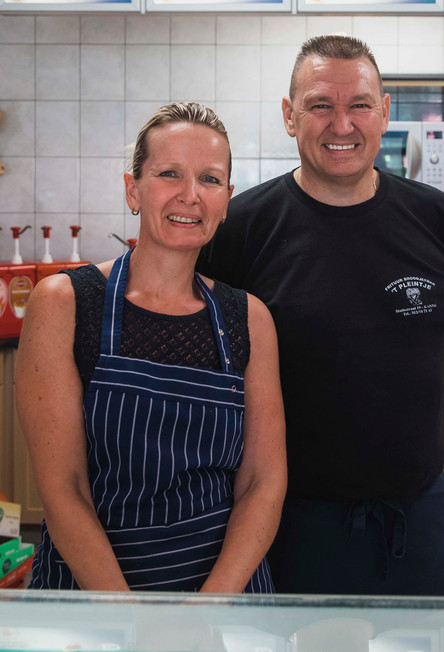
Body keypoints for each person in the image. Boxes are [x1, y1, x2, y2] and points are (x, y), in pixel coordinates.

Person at [198, 35, 444, 596]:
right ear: (290, 115)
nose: (342, 124)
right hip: (287, 521)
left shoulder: (437, 218)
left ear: (384, 112)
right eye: (320, 105)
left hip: (418, 517)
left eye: (359, 104)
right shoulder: (241, 228)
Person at [19, 102, 285, 593]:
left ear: (226, 200)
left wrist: (208, 610)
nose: (190, 195)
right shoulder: (64, 304)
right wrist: (130, 619)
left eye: (209, 179)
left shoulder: (249, 319)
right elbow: (65, 488)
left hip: (223, 597)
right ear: (133, 189)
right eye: (169, 174)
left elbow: (261, 483)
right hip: (91, 599)